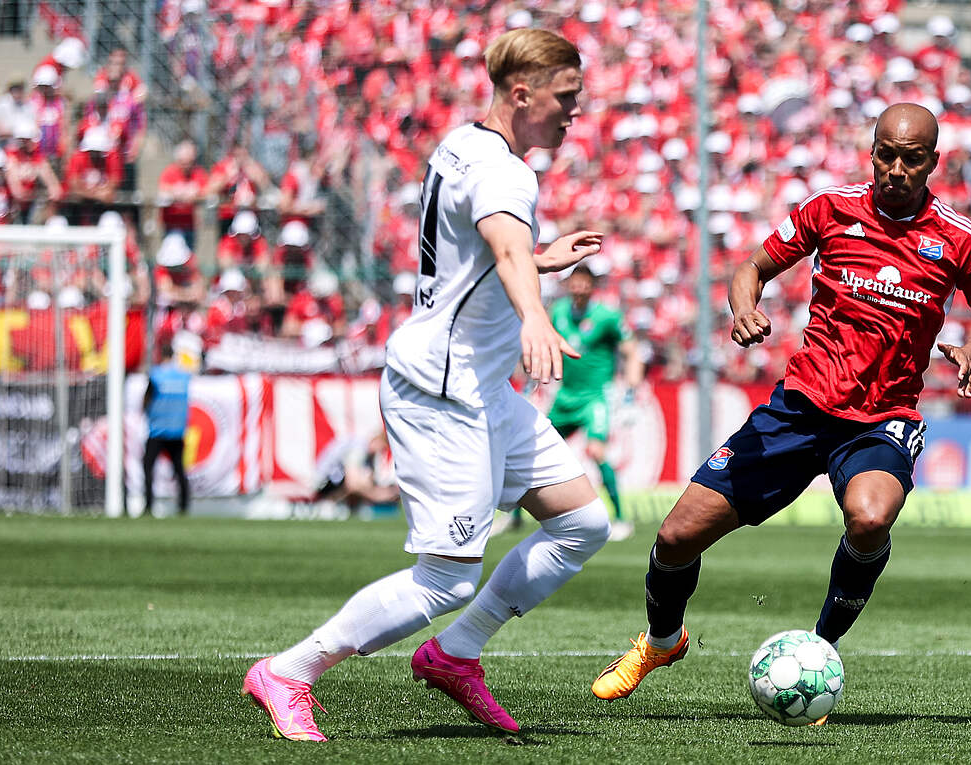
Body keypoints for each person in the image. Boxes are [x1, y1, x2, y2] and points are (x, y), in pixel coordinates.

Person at [242, 28, 610, 742]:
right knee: (444, 578)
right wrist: (535, 308)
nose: (574, 113)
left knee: (581, 522)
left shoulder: (461, 143)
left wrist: (540, 263)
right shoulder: (508, 173)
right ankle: (290, 670)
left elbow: (493, 249)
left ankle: (456, 653)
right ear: (522, 91)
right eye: (566, 98)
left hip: (478, 383)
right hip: (446, 391)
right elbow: (502, 245)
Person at [590, 104, 971, 716]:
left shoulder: (959, 241)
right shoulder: (830, 209)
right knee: (676, 535)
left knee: (870, 520)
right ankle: (661, 641)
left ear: (933, 163)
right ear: (872, 153)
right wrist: (744, 309)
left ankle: (822, 647)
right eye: (886, 155)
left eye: (912, 159)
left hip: (881, 418)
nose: (896, 169)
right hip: (799, 408)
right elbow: (752, 268)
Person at [510, 264, 644, 539]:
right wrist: (529, 379)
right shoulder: (558, 311)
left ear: (592, 286)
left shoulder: (607, 316)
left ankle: (620, 518)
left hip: (595, 397)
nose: (579, 288)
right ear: (569, 285)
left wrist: (630, 393)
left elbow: (632, 352)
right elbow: (537, 341)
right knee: (532, 450)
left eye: (585, 283)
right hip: (565, 397)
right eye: (575, 282)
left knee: (596, 451)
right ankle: (513, 518)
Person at [141, 344, 192, 516]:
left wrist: (148, 411)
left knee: (148, 467)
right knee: (179, 470)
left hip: (158, 430)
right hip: (177, 430)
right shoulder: (184, 376)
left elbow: (147, 399)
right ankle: (184, 506)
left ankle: (148, 506)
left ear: (160, 355)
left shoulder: (156, 375)